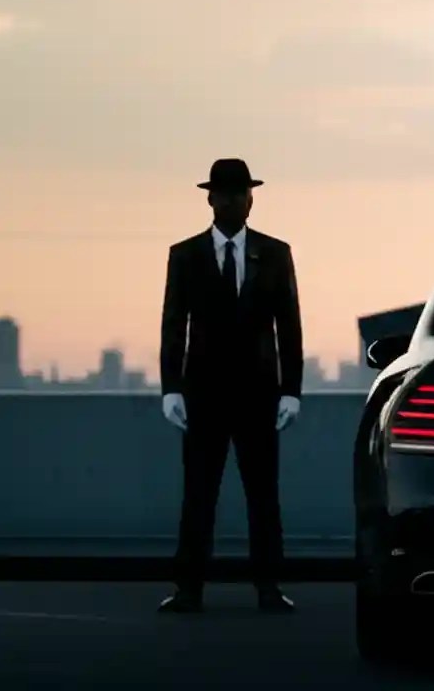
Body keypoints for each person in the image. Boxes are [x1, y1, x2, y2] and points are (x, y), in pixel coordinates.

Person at [157, 158, 303, 613]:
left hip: (258, 392)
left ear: (250, 198)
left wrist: (290, 391)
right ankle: (189, 587)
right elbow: (172, 323)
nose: (235, 201)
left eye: (240, 193)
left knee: (263, 493)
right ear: (211, 199)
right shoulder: (185, 255)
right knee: (198, 492)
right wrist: (171, 387)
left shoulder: (275, 253)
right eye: (226, 194)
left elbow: (290, 326)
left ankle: (268, 585)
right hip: (203, 392)